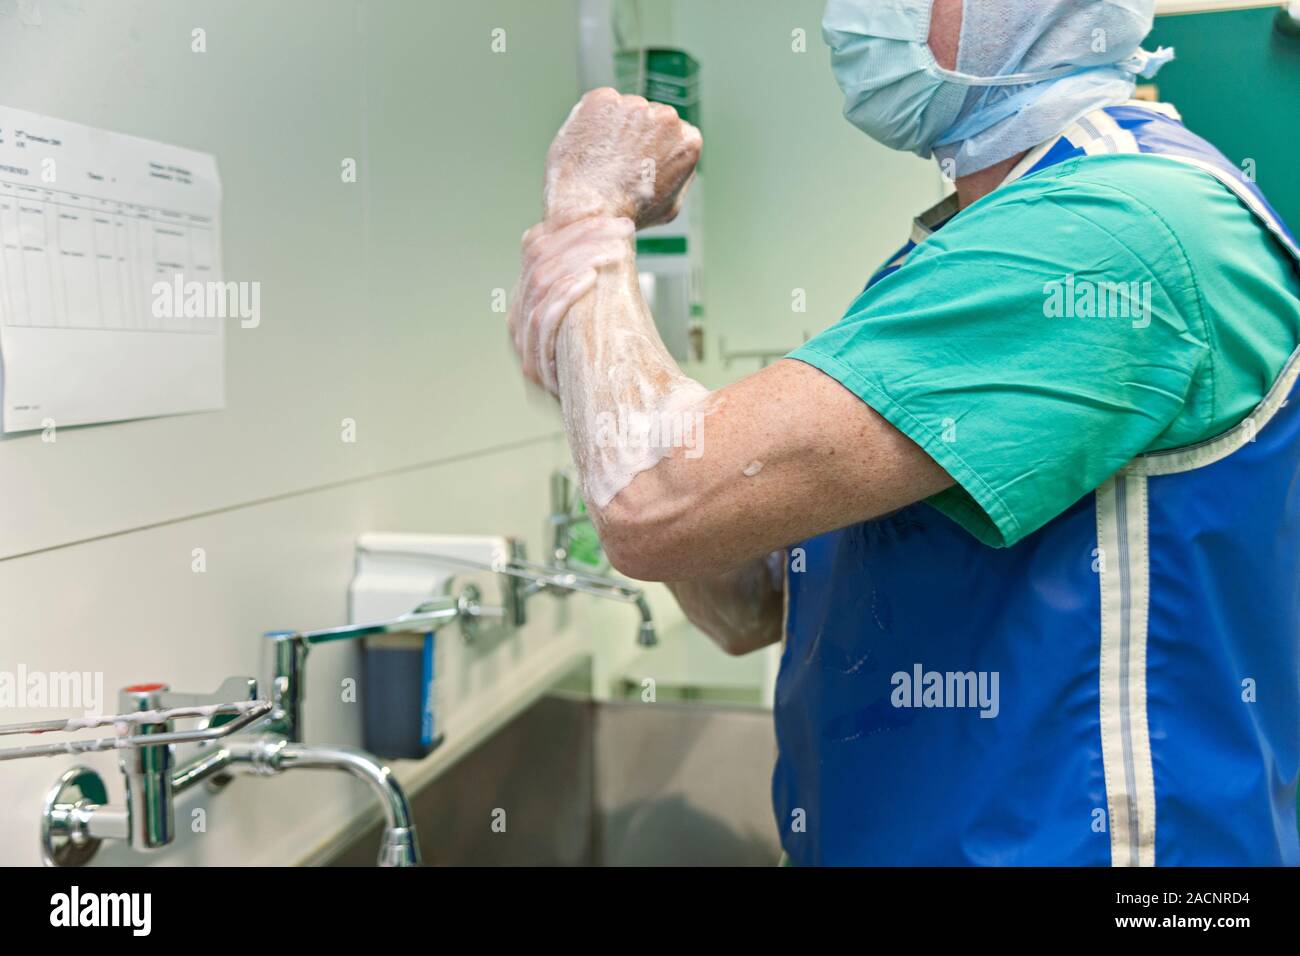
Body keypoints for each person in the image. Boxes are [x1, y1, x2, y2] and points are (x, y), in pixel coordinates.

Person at [507, 0, 1300, 865]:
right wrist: (592, 381)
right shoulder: (956, 257)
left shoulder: (1111, 232)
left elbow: (656, 500)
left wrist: (591, 214)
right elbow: (748, 603)